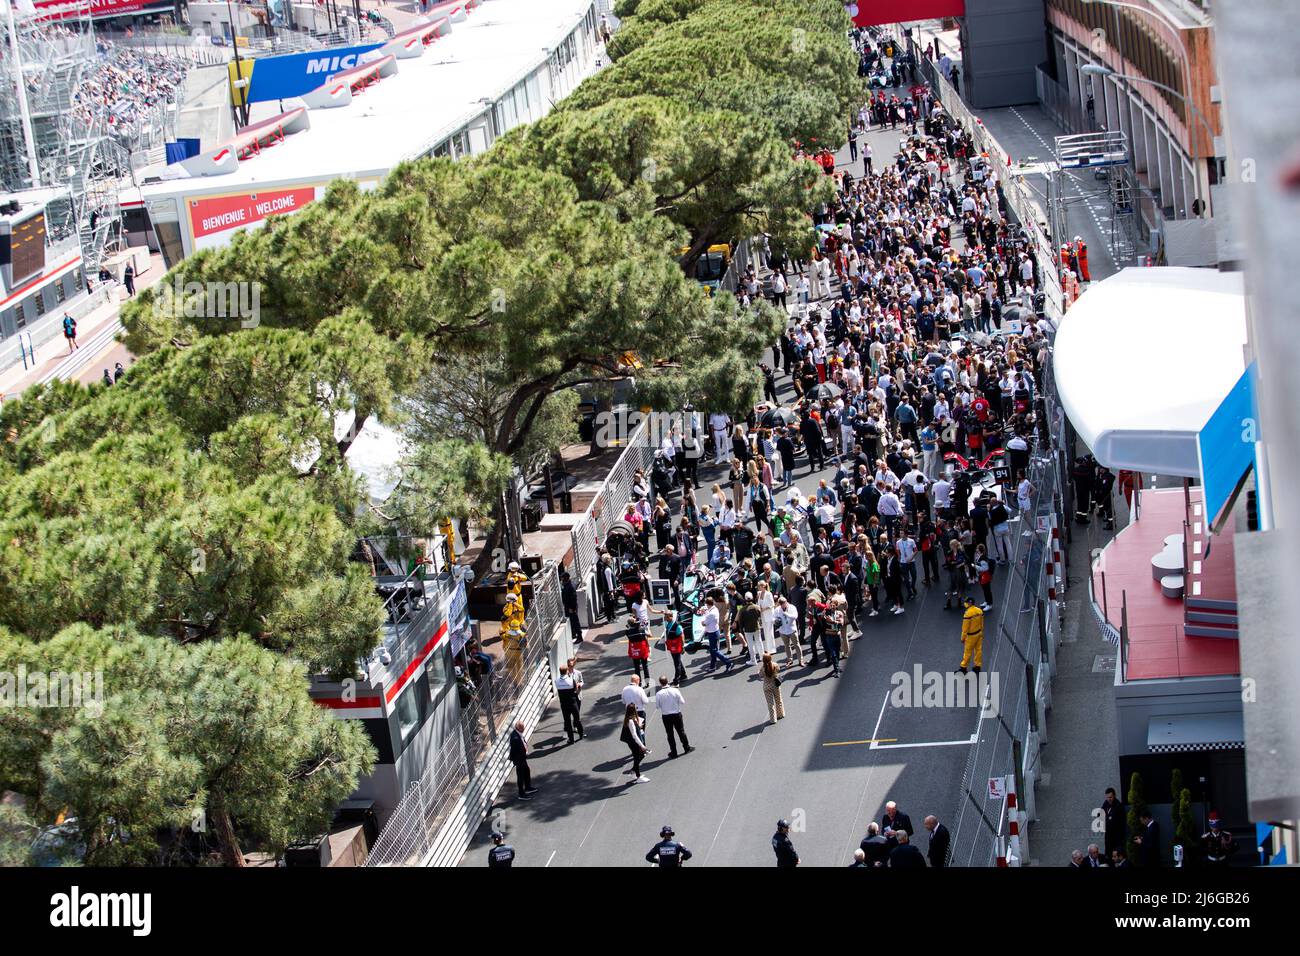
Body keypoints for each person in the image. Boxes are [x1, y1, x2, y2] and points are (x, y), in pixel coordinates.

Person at [655, 675, 692, 758]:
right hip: (676, 714)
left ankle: (674, 752)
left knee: (670, 734)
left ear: (660, 683)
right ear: (667, 681)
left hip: (666, 716)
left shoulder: (658, 694)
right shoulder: (675, 690)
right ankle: (686, 748)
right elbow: (682, 701)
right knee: (681, 731)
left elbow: (657, 706)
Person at [700, 596, 734, 673]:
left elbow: (704, 623)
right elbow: (707, 614)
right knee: (713, 651)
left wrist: (703, 616)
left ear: (708, 604)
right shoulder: (714, 609)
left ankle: (728, 662)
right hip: (714, 632)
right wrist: (704, 612)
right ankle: (712, 666)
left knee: (714, 651)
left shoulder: (711, 614)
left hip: (712, 633)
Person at [620, 702, 650, 782]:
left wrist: (638, 726)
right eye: (636, 708)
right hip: (634, 743)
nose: (637, 709)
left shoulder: (630, 719)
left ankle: (633, 772)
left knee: (638, 757)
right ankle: (638, 776)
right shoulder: (630, 721)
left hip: (632, 742)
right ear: (633, 711)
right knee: (638, 757)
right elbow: (634, 735)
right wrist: (642, 746)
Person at [555, 664, 585, 744]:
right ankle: (581, 734)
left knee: (567, 722)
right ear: (567, 671)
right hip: (573, 703)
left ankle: (571, 739)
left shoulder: (556, 681)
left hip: (564, 704)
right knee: (577, 719)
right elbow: (576, 690)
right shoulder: (571, 680)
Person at [509, 720, 538, 799]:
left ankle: (527, 787)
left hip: (522, 758)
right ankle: (521, 794)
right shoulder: (515, 738)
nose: (523, 729)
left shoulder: (518, 733)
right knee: (520, 776)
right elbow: (515, 751)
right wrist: (518, 759)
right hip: (519, 759)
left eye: (523, 727)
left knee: (526, 771)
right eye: (522, 728)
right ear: (518, 728)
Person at [958, 596, 984, 674]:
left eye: (966, 602)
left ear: (970, 603)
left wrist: (962, 638)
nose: (965, 604)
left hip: (971, 636)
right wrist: (981, 632)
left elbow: (965, 628)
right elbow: (982, 623)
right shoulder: (979, 611)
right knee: (978, 650)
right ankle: (977, 666)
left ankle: (963, 668)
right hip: (978, 634)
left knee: (967, 652)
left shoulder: (967, 614)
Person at [759, 651, 785, 723]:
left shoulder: (762, 668)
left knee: (770, 704)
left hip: (767, 686)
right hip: (775, 684)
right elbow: (778, 670)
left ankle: (773, 719)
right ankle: (780, 714)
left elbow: (760, 675)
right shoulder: (775, 665)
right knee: (778, 700)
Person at [1101, 787, 1126, 858]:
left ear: (1114, 796)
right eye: (1107, 797)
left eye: (1110, 797)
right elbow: (1101, 813)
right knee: (1108, 854)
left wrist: (1109, 819)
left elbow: (1121, 823)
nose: (1109, 799)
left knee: (1117, 855)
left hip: (1117, 836)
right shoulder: (1106, 803)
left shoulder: (1119, 806)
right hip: (1108, 835)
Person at [626, 616, 651, 683]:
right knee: (645, 666)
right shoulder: (641, 630)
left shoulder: (627, 632)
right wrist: (647, 628)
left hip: (634, 651)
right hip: (642, 650)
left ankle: (638, 682)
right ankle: (647, 682)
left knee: (637, 668)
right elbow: (649, 635)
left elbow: (629, 629)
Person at [560, 569, 582, 643]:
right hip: (568, 607)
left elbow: (573, 598)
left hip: (571, 608)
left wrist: (572, 608)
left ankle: (579, 636)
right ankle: (574, 634)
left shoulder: (570, 586)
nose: (562, 580)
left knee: (575, 622)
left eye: (562, 578)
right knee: (572, 622)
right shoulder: (566, 585)